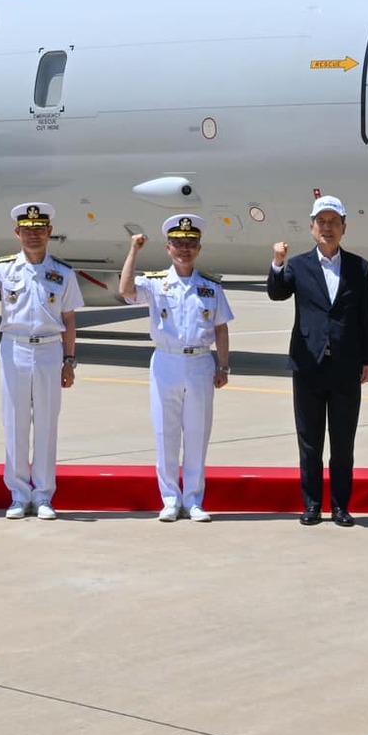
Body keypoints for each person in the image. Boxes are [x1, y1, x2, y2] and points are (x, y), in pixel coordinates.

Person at [267, 195, 368, 527]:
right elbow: (277, 292)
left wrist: (367, 359)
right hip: (308, 363)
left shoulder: (359, 266)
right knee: (310, 442)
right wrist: (277, 263)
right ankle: (312, 504)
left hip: (345, 366)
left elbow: (364, 316)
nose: (328, 228)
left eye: (334, 222)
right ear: (312, 228)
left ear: (344, 227)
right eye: (322, 222)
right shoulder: (298, 265)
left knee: (343, 443)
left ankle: (341, 506)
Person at [0, 202, 83, 519]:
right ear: (17, 233)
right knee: (15, 422)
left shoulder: (63, 272)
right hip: (15, 347)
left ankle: (44, 495)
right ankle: (19, 495)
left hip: (50, 349)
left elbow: (69, 318)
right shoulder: (3, 267)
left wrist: (69, 360)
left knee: (47, 423)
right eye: (27, 231)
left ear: (50, 232)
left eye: (40, 230)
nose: (33, 236)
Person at [120, 216, 232, 523]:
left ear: (199, 248)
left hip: (199, 362)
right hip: (166, 361)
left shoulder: (210, 287)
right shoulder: (156, 283)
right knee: (165, 432)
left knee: (197, 434)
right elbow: (127, 290)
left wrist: (223, 365)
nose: (185, 250)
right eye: (179, 244)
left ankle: (194, 500)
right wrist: (134, 252)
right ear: (168, 248)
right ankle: (170, 499)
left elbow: (221, 329)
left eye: (190, 244)